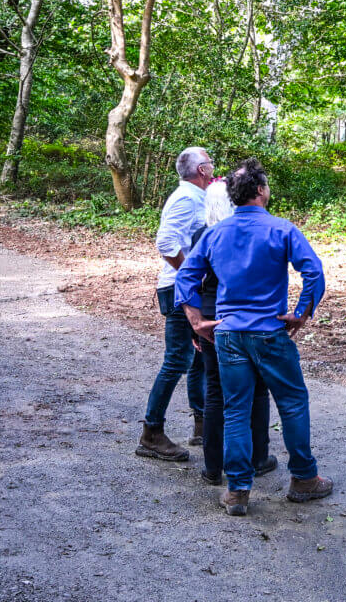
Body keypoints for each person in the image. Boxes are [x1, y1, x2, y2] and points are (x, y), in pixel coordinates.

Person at [177, 158, 332, 516]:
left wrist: (196, 320)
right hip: (269, 333)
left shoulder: (216, 233)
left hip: (229, 335)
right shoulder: (282, 229)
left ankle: (238, 491)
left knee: (235, 410)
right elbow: (314, 271)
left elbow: (186, 277)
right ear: (261, 190)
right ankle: (304, 479)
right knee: (292, 402)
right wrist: (301, 313)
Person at [189, 178, 278, 485]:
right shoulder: (246, 232)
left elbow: (191, 280)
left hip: (210, 316)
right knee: (256, 388)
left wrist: (194, 323)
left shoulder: (203, 234)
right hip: (245, 317)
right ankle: (257, 457)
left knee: (215, 389)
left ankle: (212, 466)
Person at [136, 147, 211, 461]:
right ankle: (152, 433)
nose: (214, 165)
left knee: (197, 357)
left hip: (187, 287)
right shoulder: (185, 199)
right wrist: (190, 274)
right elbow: (165, 242)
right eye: (209, 160)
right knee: (177, 360)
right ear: (201, 170)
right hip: (179, 289)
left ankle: (202, 425)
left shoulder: (198, 197)